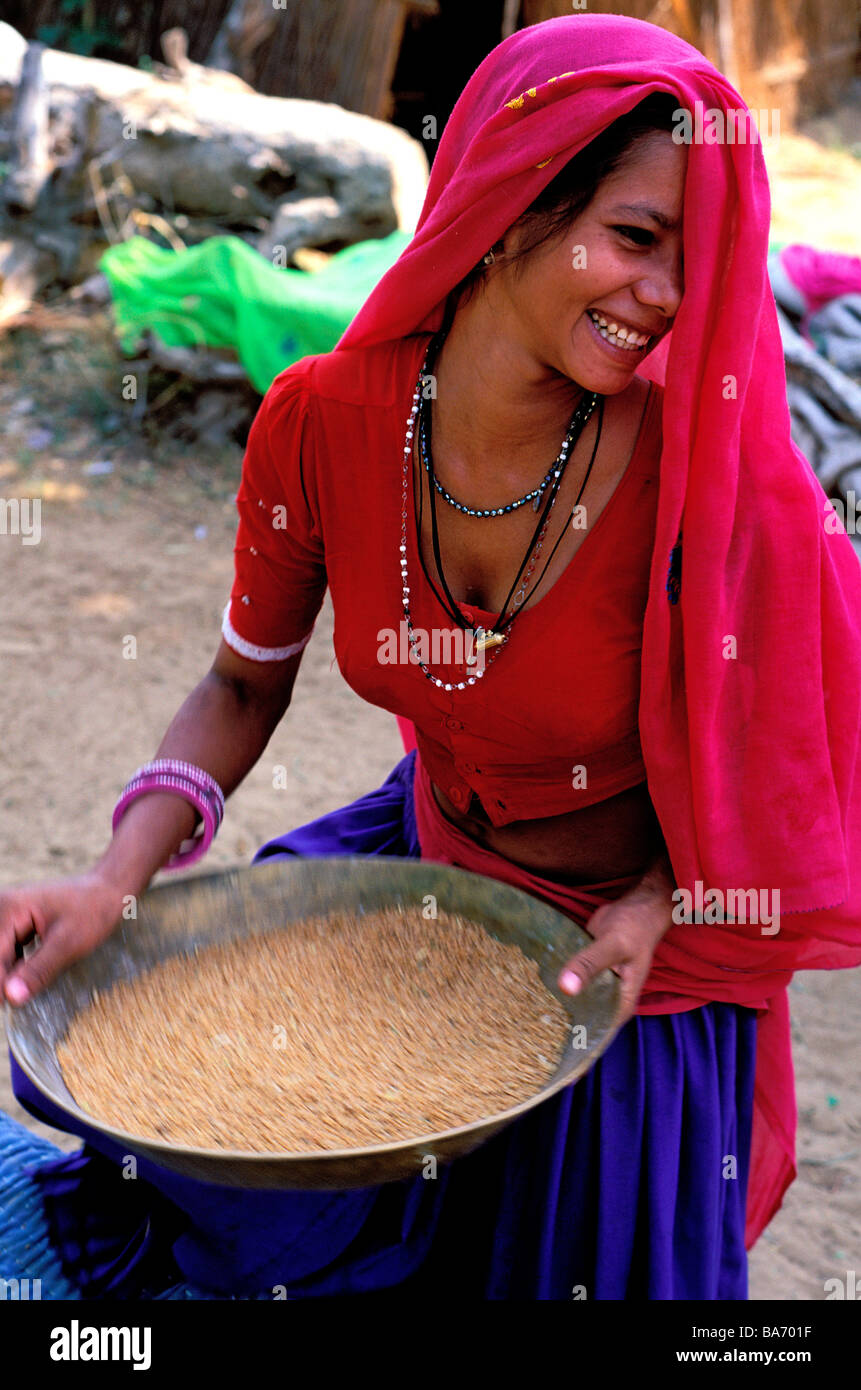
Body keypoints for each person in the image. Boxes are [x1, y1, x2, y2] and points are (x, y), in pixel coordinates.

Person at [2, 12, 860, 1301]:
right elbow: (243, 683)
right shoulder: (323, 424)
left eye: (694, 257)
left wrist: (665, 905)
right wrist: (116, 878)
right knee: (248, 1205)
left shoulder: (715, 491)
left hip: (626, 967)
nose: (669, 296)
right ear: (511, 204)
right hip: (433, 874)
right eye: (634, 239)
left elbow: (810, 763)